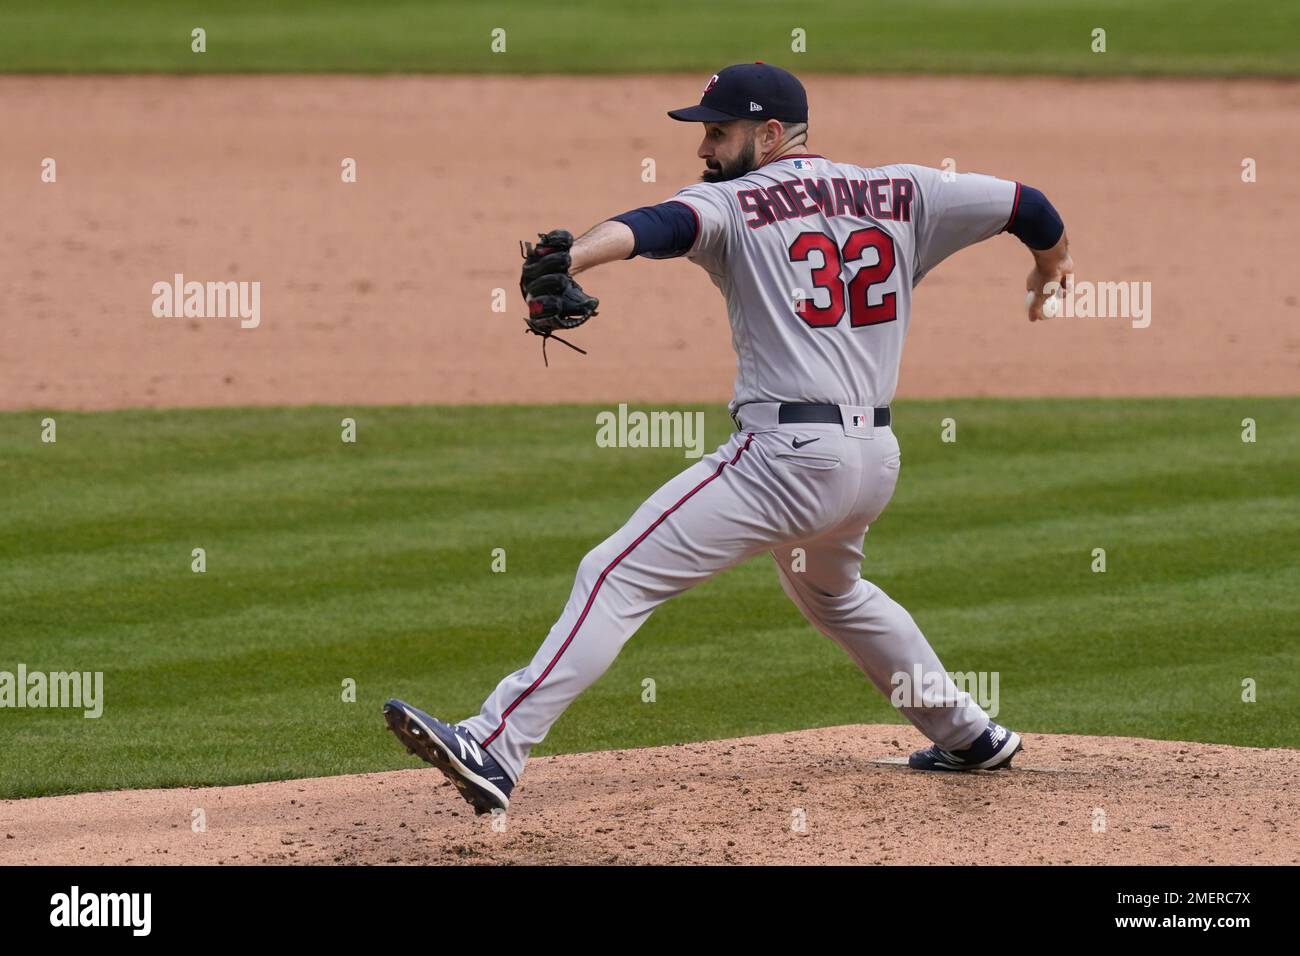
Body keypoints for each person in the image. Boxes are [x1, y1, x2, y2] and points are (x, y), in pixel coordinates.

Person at [384, 62, 1074, 814]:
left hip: (785, 464)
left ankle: (494, 744)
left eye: (718, 130)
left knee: (615, 575)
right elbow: (1028, 205)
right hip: (873, 463)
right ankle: (968, 735)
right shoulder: (908, 189)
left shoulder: (735, 201)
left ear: (770, 134)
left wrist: (575, 255)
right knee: (834, 592)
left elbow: (657, 225)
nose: (704, 148)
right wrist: (1052, 269)